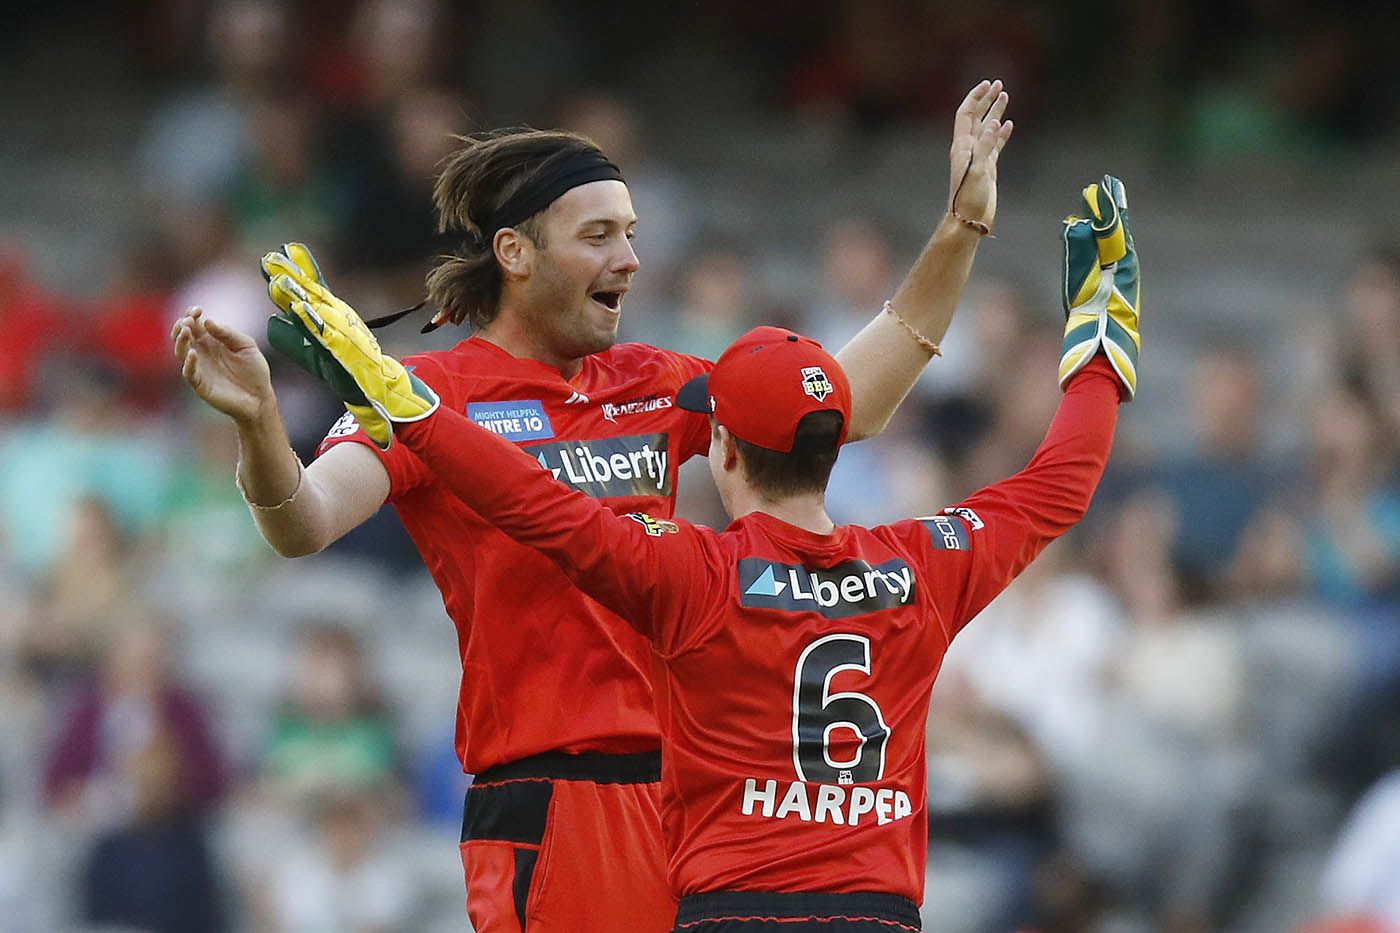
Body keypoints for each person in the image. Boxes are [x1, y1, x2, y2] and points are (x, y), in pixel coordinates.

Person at [174, 81, 1013, 932]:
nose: (631, 258)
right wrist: (259, 421)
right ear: (515, 251)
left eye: (633, 234)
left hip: (703, 800)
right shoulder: (428, 395)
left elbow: (841, 404)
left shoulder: (654, 380)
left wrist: (959, 230)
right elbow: (304, 521)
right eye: (599, 234)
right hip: (556, 804)